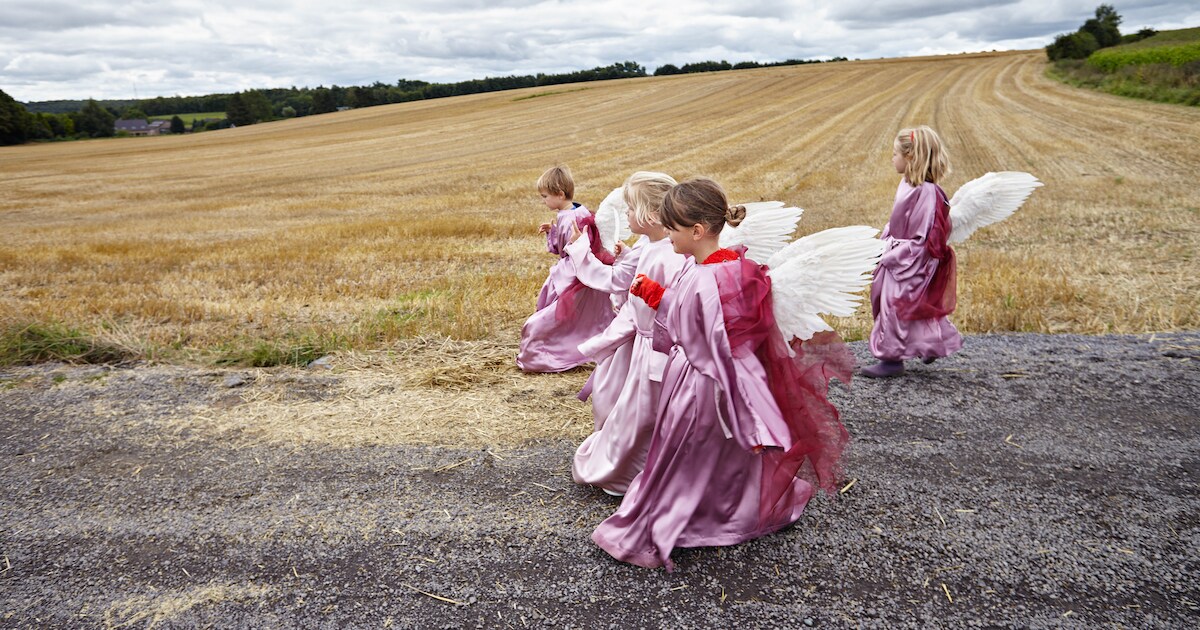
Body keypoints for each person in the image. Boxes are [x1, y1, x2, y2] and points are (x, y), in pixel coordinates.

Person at [591, 178, 851, 571]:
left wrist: (656, 302)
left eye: (673, 230)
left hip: (700, 381)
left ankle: (690, 518)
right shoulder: (741, 267)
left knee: (686, 452)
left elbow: (693, 330)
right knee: (724, 453)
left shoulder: (699, 278)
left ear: (696, 231)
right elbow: (719, 320)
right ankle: (732, 510)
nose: (669, 237)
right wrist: (662, 299)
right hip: (733, 378)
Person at [570, 172, 686, 496]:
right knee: (632, 410)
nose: (627, 217)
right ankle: (629, 465)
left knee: (642, 413)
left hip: (654, 351)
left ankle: (629, 471)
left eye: (631, 210)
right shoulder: (650, 246)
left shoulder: (667, 254)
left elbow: (647, 298)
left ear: (650, 215)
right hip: (642, 346)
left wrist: (580, 251)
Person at [861, 126, 962, 378]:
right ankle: (930, 344)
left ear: (910, 158)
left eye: (895, 153)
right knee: (892, 301)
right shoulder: (906, 184)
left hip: (909, 261)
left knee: (894, 306)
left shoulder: (927, 193)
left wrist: (893, 256)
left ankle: (892, 360)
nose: (891, 158)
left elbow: (923, 236)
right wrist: (884, 241)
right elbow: (897, 222)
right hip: (895, 253)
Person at [516, 166, 617, 373]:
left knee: (556, 313)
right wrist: (552, 231)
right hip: (576, 267)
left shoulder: (570, 218)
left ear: (560, 194)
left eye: (545, 196)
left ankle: (546, 352)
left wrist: (556, 237)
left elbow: (567, 248)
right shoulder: (577, 211)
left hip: (572, 272)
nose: (543, 200)